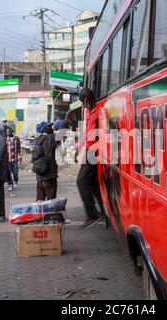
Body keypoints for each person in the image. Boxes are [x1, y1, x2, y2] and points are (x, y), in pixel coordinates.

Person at [65, 88, 104, 229]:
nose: (82, 105)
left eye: (83, 101)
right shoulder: (88, 111)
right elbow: (86, 132)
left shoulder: (99, 113)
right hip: (87, 150)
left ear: (88, 99)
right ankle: (103, 212)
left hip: (94, 151)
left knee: (81, 182)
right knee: (92, 183)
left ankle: (92, 214)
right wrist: (79, 148)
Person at [32, 121, 61, 201]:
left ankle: (38, 214)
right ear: (45, 129)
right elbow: (61, 134)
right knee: (51, 203)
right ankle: (49, 214)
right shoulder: (50, 138)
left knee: (39, 201)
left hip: (40, 178)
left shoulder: (37, 140)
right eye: (49, 126)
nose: (51, 128)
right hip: (50, 177)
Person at [5, 127, 22, 191]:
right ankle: (10, 185)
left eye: (9, 131)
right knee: (8, 173)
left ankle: (16, 180)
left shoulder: (16, 138)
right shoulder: (5, 139)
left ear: (12, 131)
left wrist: (20, 156)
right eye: (7, 132)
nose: (8, 133)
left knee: (15, 172)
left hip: (15, 159)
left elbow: (19, 148)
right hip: (7, 160)